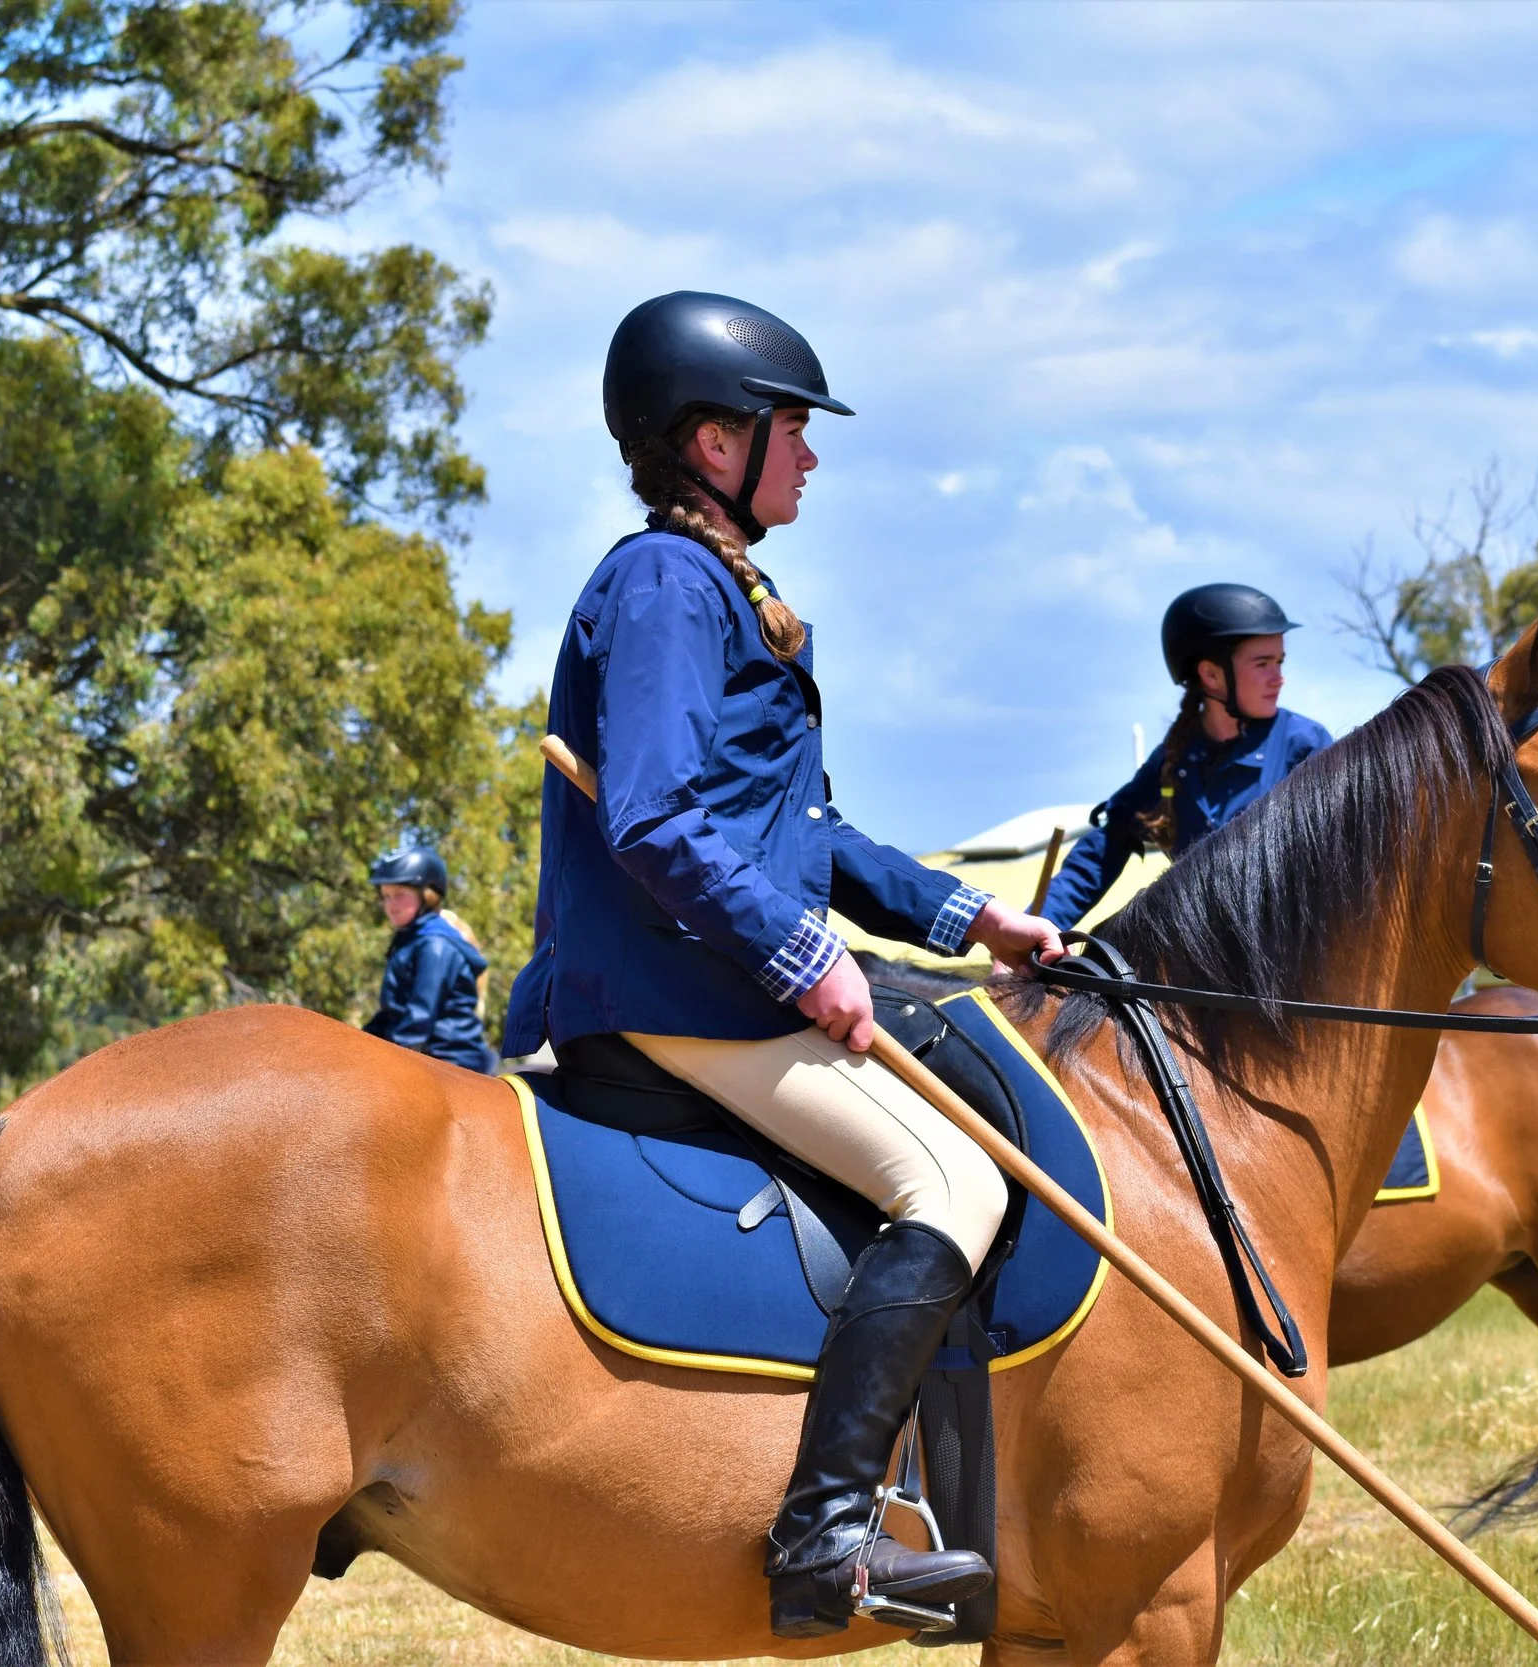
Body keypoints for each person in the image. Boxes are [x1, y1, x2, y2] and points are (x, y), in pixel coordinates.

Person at [503, 290, 1063, 1636]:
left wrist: (964, 918)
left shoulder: (723, 586)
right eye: (790, 429)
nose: (810, 455)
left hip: (716, 976)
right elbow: (650, 813)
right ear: (712, 442)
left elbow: (799, 828)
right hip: (674, 991)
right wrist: (805, 954)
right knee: (953, 1178)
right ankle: (826, 1540)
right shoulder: (663, 584)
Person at [1036, 583, 1333, 931]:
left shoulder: (1307, 746)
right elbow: (1099, 855)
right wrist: (1035, 927)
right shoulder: (1169, 765)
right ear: (1210, 674)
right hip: (1198, 961)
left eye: (1280, 661)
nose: (1278, 678)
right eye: (1263, 663)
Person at [361, 847, 497, 1074]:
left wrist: (380, 1062)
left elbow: (420, 1016)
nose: (390, 905)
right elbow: (392, 1013)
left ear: (428, 895)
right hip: (421, 1050)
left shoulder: (435, 945)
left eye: (400, 895)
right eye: (386, 896)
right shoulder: (409, 941)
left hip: (450, 1059)